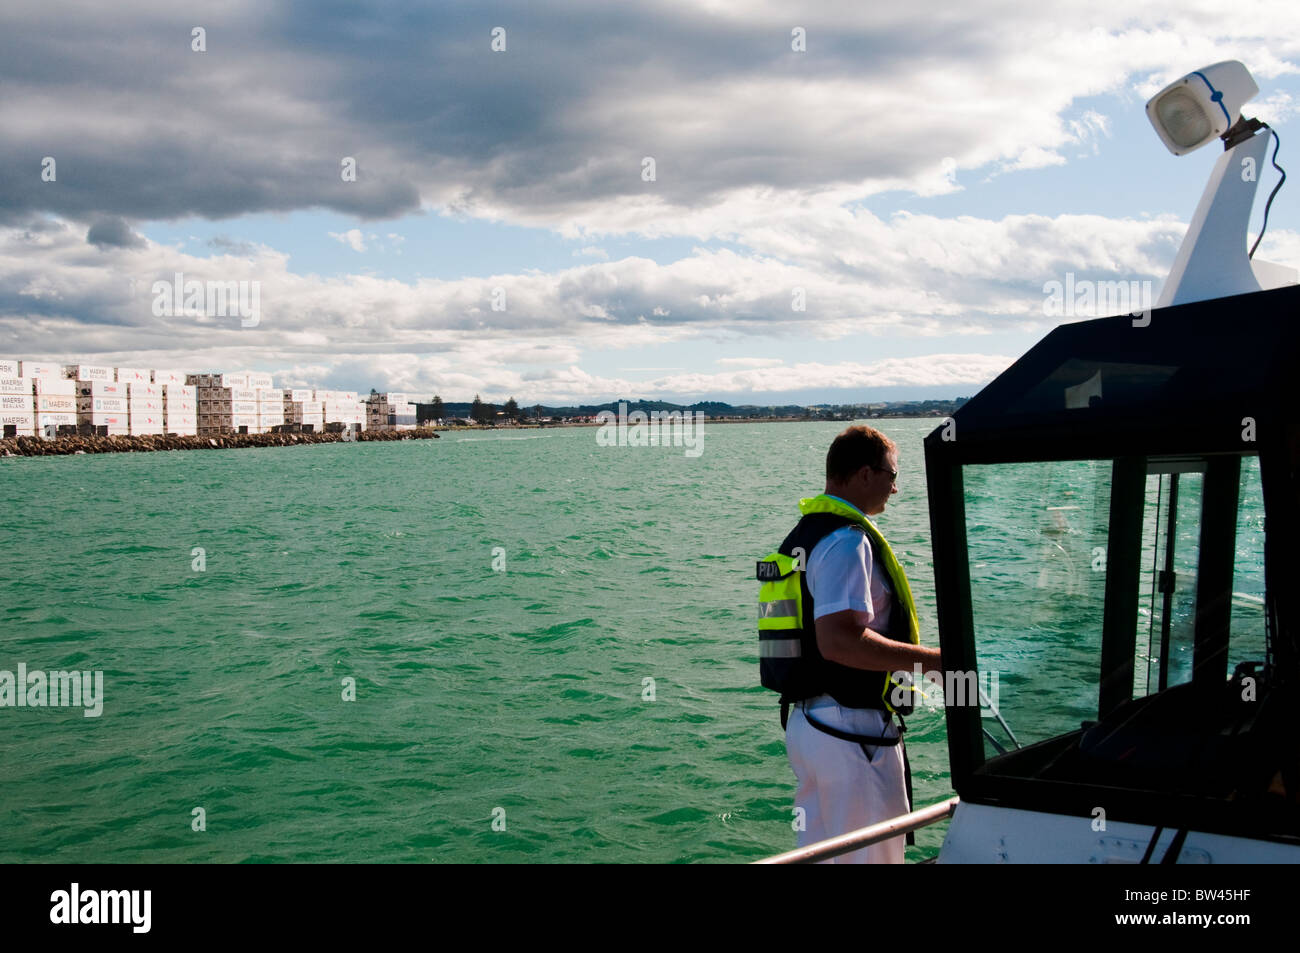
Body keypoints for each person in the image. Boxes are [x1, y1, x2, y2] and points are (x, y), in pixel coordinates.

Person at [757, 425, 941, 863]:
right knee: (872, 856)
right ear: (863, 473)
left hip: (808, 725)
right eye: (890, 475)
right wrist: (934, 662)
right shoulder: (846, 540)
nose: (894, 488)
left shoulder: (804, 535)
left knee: (825, 855)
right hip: (850, 730)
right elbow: (839, 641)